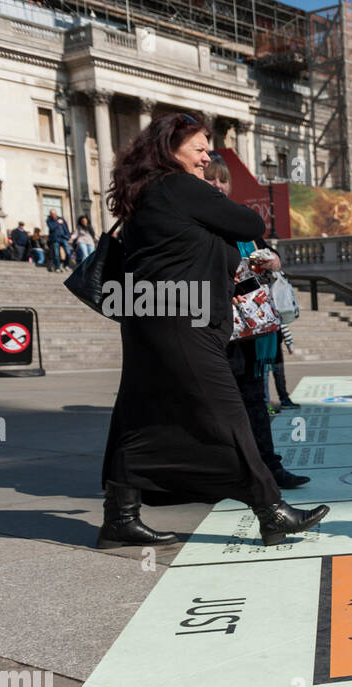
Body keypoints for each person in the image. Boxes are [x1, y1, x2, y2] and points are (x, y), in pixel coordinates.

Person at [98, 111, 328, 549]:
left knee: (138, 412)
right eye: (200, 148)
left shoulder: (149, 190)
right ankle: (271, 510)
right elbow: (251, 224)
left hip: (148, 316)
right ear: (170, 148)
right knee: (227, 412)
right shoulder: (179, 185)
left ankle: (119, 518)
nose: (207, 157)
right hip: (183, 319)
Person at [203, 155, 309, 488]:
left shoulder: (241, 223)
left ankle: (268, 468)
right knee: (222, 406)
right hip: (214, 329)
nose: (218, 185)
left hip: (251, 329)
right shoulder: (194, 226)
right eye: (210, 178)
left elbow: (267, 259)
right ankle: (230, 471)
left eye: (223, 179)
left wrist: (273, 261)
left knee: (255, 401)